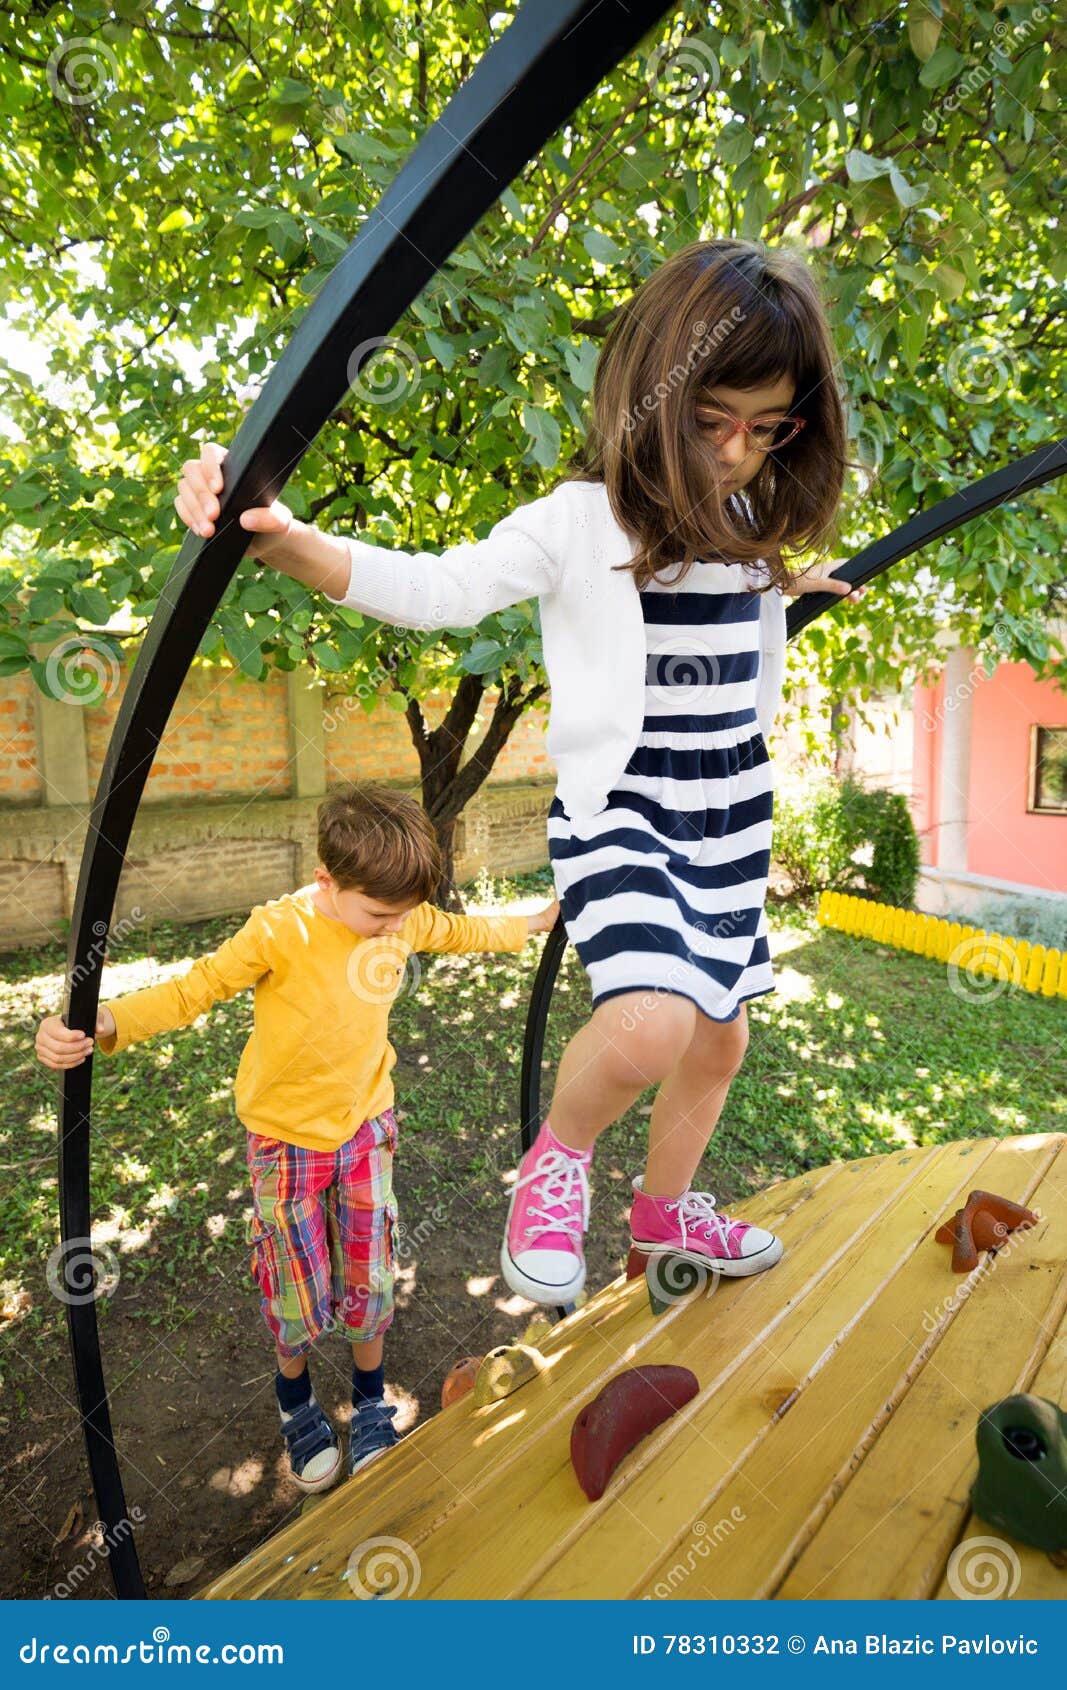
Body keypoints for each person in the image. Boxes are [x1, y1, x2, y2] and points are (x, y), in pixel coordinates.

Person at [173, 237, 867, 1309]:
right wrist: (287, 545)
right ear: (652, 389)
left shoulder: (743, 528)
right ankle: (556, 1162)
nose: (736, 452)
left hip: (730, 817)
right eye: (711, 418)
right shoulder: (575, 521)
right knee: (651, 1022)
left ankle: (662, 1209)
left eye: (766, 430)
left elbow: (737, 623)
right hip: (629, 814)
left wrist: (791, 590)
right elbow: (436, 586)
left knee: (719, 1037)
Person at [36, 782, 559, 1489]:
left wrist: (536, 922)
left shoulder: (399, 919)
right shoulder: (279, 930)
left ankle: (371, 1401)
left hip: (365, 1131)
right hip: (285, 1144)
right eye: (377, 915)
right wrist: (106, 1023)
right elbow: (195, 989)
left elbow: (463, 931)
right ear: (326, 881)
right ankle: (296, 1399)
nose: (390, 930)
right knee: (294, 1284)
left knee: (369, 1273)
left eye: (401, 918)